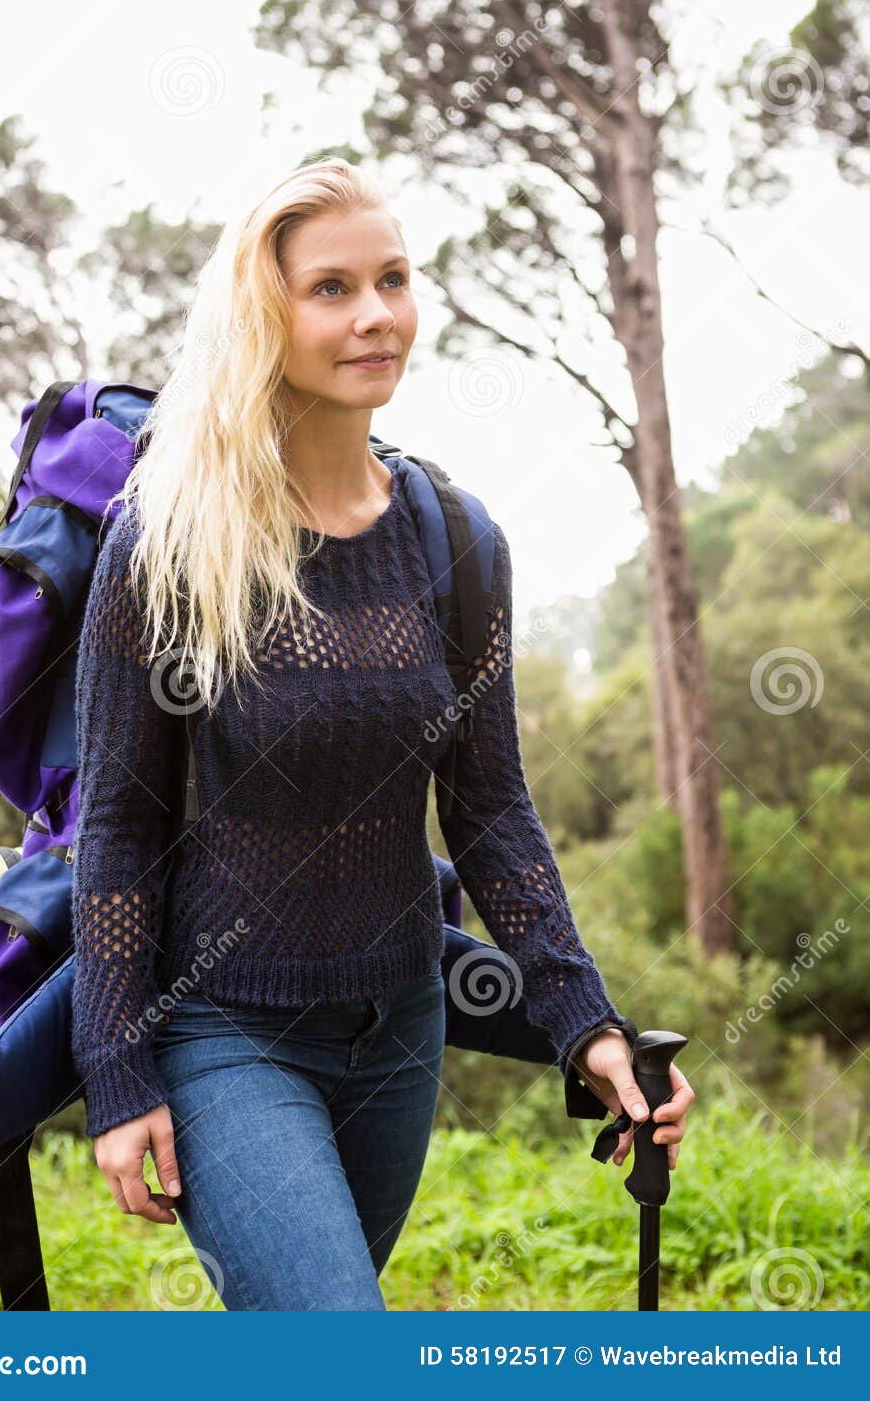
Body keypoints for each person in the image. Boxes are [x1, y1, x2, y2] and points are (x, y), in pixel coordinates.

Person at [69, 157, 694, 1311]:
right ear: (264, 316)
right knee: (340, 1339)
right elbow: (115, 825)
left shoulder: (457, 541)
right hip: (225, 1030)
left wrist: (583, 1022)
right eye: (330, 288)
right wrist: (116, 1068)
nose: (375, 315)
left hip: (402, 1024)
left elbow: (491, 810)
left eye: (393, 279)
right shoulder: (164, 542)